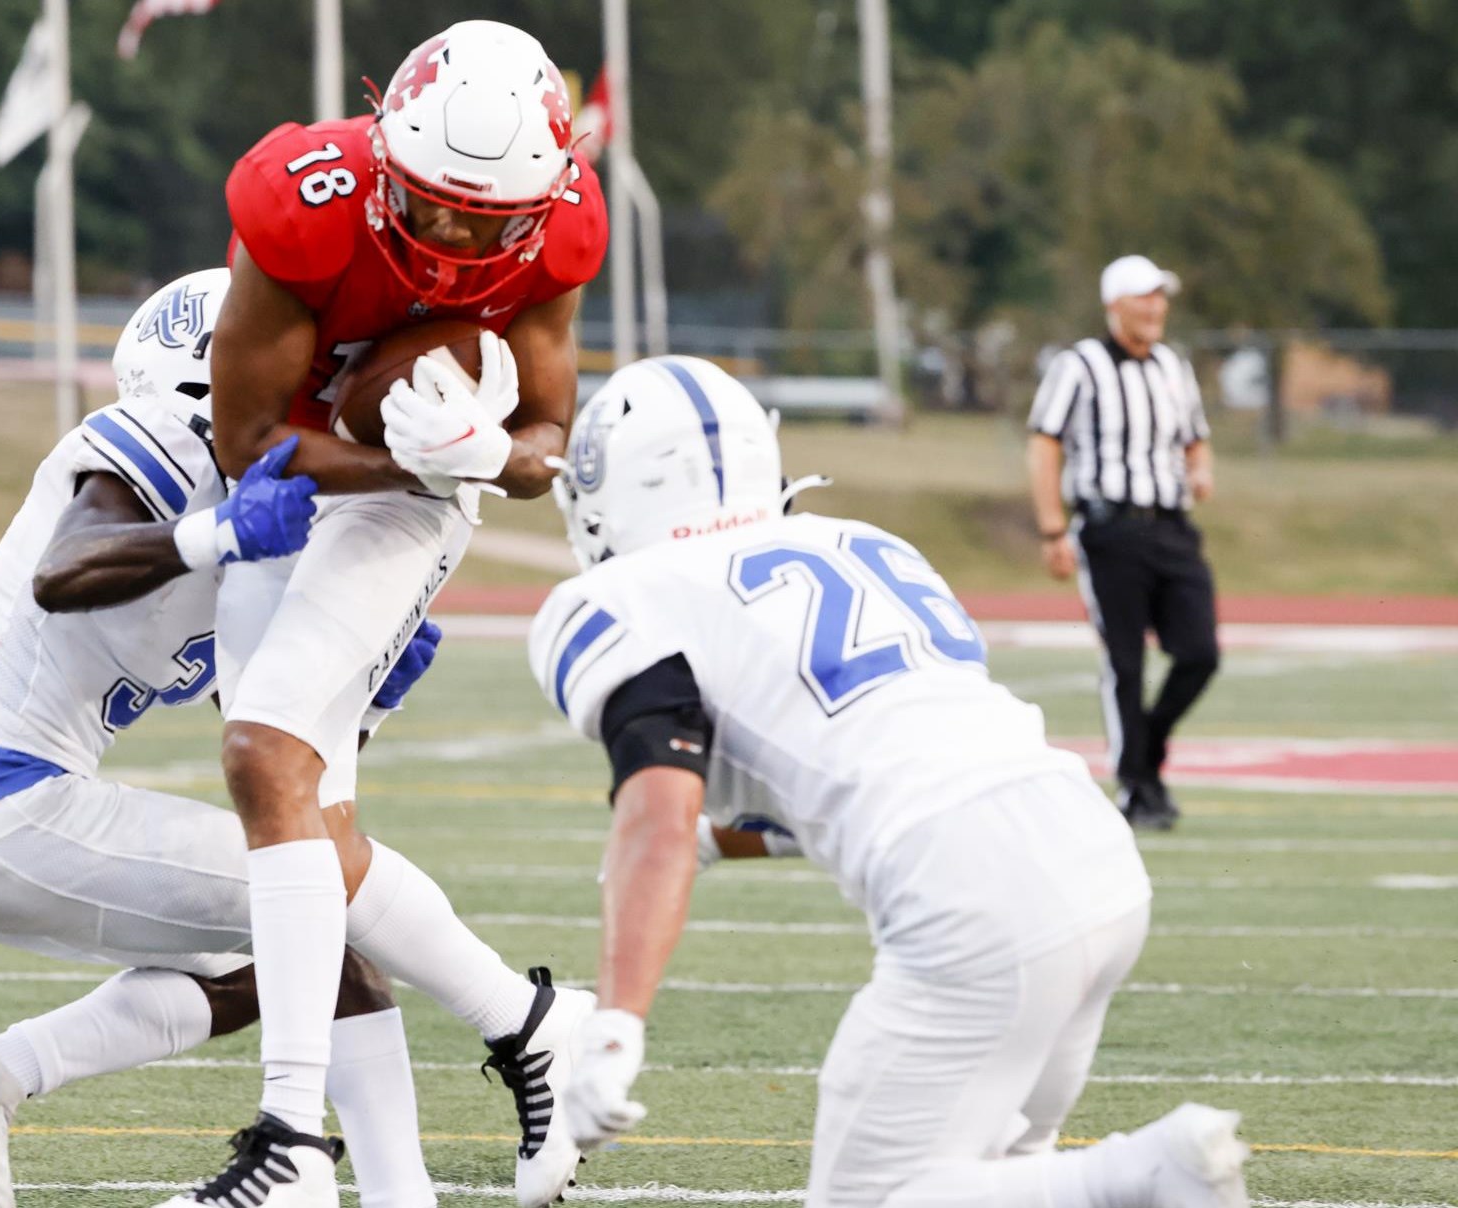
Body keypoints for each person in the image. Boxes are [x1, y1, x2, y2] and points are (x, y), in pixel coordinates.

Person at [0, 270, 512, 1208]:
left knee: (271, 953)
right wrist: (220, 534)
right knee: (320, 911)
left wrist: (368, 702)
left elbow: (273, 755)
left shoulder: (231, 480)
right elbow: (65, 570)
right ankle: (496, 1061)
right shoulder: (173, 432)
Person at [529, 356, 1251, 1208]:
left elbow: (657, 806)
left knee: (872, 1197)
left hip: (970, 902)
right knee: (1003, 1185)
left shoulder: (622, 595)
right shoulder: (864, 544)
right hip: (1092, 855)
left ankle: (1145, 1174)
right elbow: (891, 758)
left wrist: (614, 1026)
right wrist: (716, 842)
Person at [178, 19, 610, 1208]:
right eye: (433, 208)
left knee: (264, 750)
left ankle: (288, 1142)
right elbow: (250, 443)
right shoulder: (299, 198)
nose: (463, 236)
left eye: (489, 220)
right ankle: (523, 1025)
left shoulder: (564, 221)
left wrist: (496, 457)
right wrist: (415, 463)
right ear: (380, 159)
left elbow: (546, 438)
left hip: (416, 492)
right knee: (316, 823)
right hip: (304, 476)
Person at [1027, 255, 1221, 830]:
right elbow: (1044, 444)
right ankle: (1137, 787)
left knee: (1200, 653)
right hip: (1110, 529)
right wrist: (1052, 528)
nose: (1156, 307)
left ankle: (1148, 747)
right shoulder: (1080, 366)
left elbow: (1196, 439)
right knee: (1126, 663)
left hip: (1171, 526)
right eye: (1144, 297)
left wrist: (1202, 469)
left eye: (1161, 296)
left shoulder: (1171, 366)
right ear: (1115, 304)